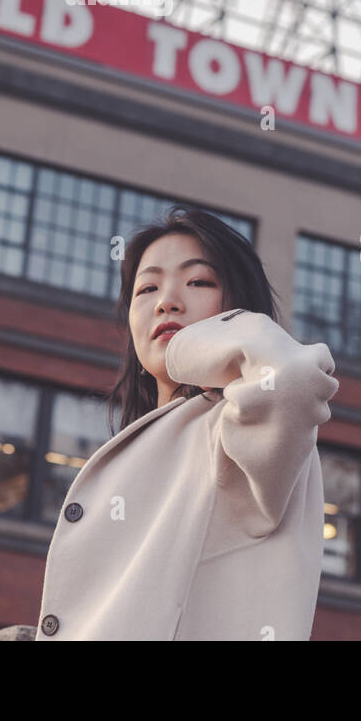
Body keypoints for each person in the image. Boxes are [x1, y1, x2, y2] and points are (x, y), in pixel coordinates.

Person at [35, 204, 339, 641]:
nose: (166, 302)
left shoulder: (238, 431)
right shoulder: (135, 453)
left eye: (198, 281)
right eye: (146, 289)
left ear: (239, 309)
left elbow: (290, 376)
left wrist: (183, 349)